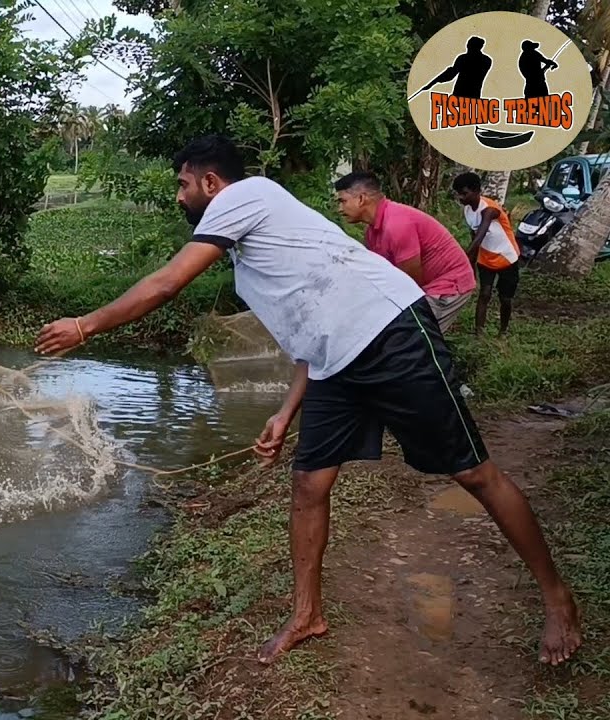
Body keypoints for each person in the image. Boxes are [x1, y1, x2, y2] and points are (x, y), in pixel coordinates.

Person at [34, 135, 581, 668]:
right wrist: (285, 410)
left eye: (182, 185)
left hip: (390, 333)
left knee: (473, 474)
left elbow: (166, 284)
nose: (179, 197)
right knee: (308, 482)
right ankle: (307, 614)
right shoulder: (250, 257)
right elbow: (308, 329)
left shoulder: (246, 196)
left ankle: (557, 597)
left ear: (210, 181)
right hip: (333, 363)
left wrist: (85, 325)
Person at [334, 171, 476, 332]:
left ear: (361, 199)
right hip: (424, 285)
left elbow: (410, 285)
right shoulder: (372, 232)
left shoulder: (396, 225)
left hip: (447, 286)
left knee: (413, 336)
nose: (340, 209)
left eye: (342, 201)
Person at [452, 172, 521, 336]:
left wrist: (459, 258)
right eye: (458, 194)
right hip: (486, 259)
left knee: (505, 299)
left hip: (507, 258)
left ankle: (503, 331)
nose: (460, 198)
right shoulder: (468, 210)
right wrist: (471, 266)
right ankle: (479, 333)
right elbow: (473, 237)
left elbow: (479, 237)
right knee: (484, 294)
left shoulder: (489, 210)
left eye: (464, 193)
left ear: (476, 191)